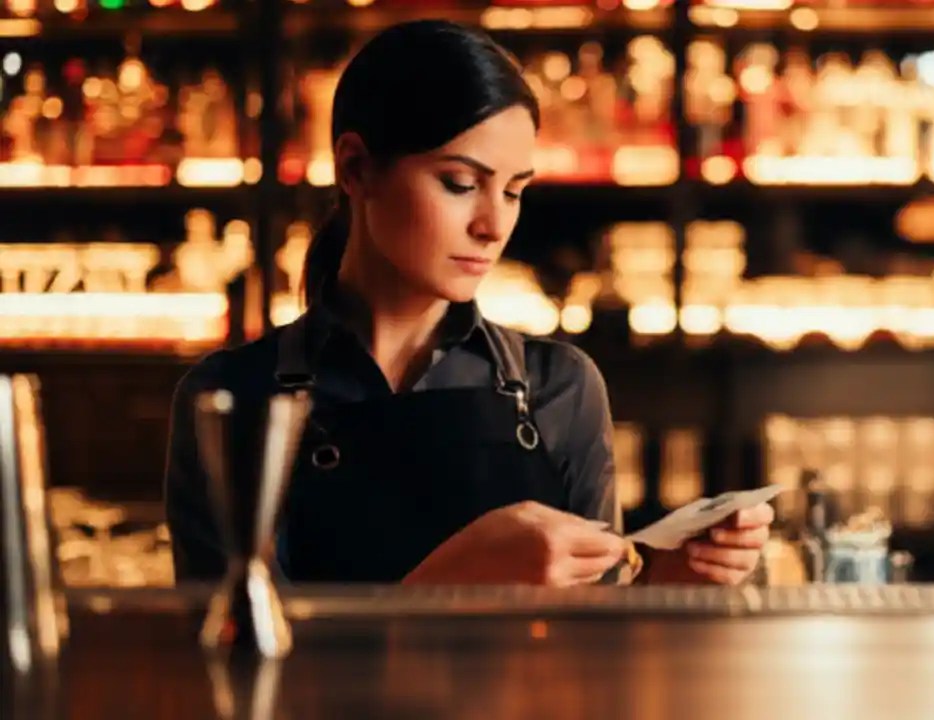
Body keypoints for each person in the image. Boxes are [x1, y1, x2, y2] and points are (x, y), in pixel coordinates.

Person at [163, 20, 773, 587]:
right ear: (356, 168)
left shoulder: (559, 387)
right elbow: (241, 669)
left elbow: (594, 638)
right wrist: (452, 580)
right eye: (460, 184)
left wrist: (671, 579)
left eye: (513, 191)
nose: (493, 225)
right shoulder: (232, 399)